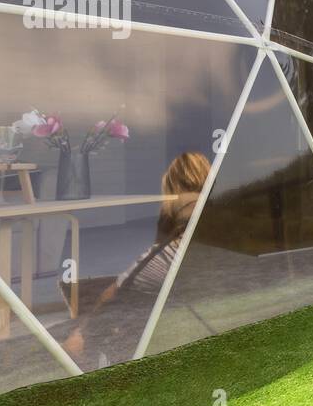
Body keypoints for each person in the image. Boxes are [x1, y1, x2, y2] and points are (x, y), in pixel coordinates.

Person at [62, 152, 210, 364]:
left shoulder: (167, 254)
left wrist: (81, 332)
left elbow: (113, 293)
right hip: (177, 323)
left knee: (84, 326)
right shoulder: (210, 238)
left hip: (133, 339)